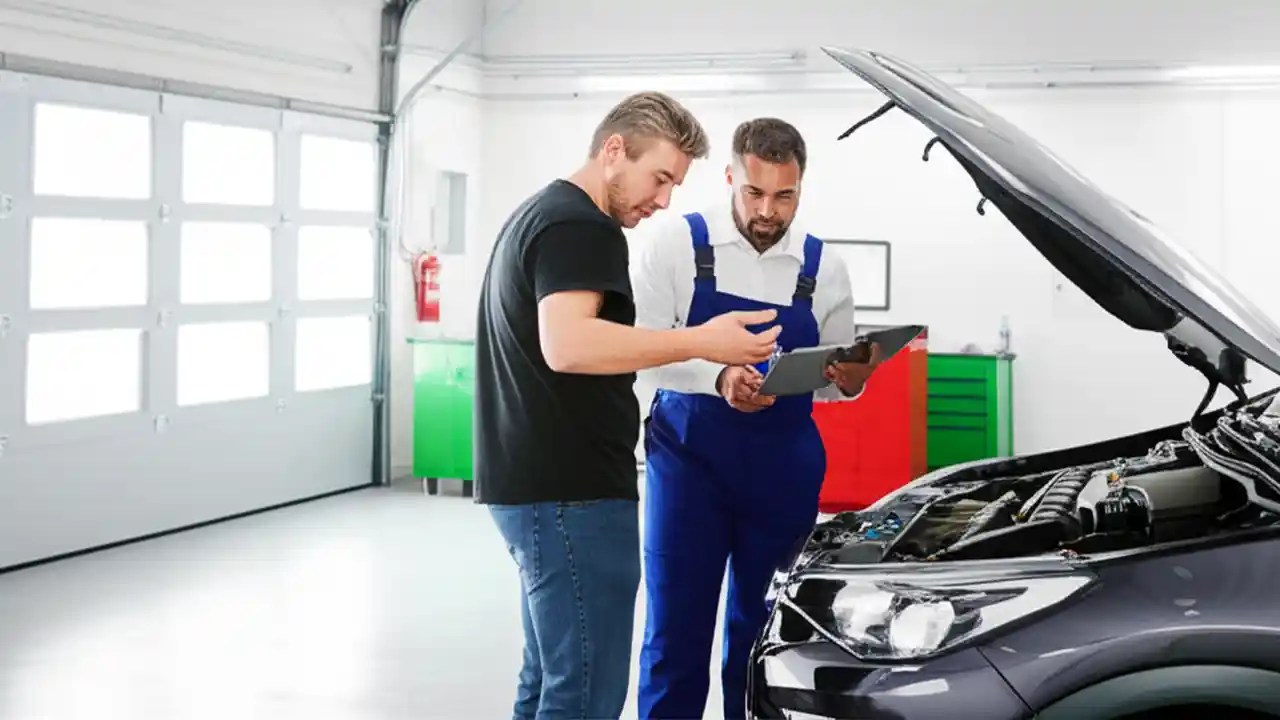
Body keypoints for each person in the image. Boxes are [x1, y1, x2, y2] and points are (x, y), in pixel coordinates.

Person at [473, 92, 787, 720]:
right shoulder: (580, 225)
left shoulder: (541, 212)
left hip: (535, 489)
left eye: (675, 184)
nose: (664, 199)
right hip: (571, 495)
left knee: (550, 681)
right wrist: (703, 339)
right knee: (585, 693)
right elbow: (568, 345)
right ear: (614, 150)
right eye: (660, 177)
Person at [631, 117, 883, 719]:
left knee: (765, 636)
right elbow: (639, 351)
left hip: (782, 469)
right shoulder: (676, 244)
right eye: (755, 192)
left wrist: (850, 380)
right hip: (687, 464)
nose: (768, 210)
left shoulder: (825, 268)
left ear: (802, 187)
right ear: (729, 178)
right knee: (676, 631)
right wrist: (717, 377)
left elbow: (832, 380)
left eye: (785, 195)